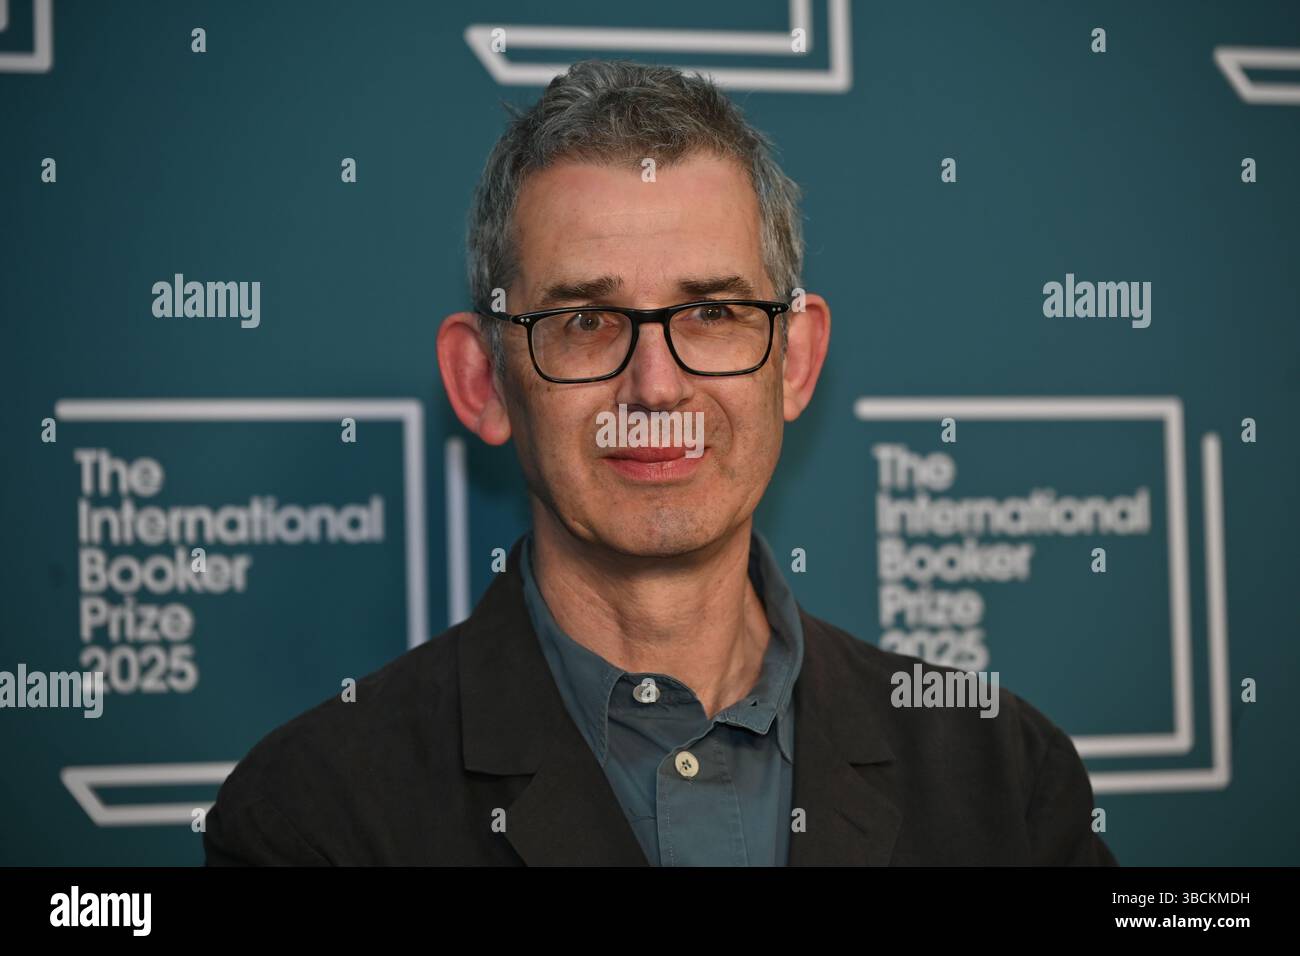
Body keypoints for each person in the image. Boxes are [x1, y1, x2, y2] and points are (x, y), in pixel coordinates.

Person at [204, 59, 1116, 866]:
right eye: (584, 321)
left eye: (713, 314)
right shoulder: (313, 818)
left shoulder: (1004, 776)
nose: (657, 387)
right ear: (483, 381)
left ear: (793, 361)